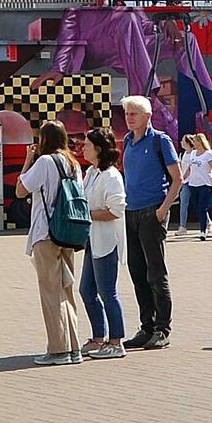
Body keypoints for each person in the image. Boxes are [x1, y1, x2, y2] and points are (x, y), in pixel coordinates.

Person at [19, 125, 86, 365]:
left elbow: (20, 190)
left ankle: (58, 350)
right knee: (66, 289)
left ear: (45, 139)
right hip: (68, 231)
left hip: (46, 234)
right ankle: (74, 347)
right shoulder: (73, 163)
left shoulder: (45, 161)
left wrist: (28, 160)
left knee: (50, 292)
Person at [118, 96, 178, 349]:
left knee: (156, 273)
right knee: (137, 272)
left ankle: (162, 329)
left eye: (134, 113)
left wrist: (163, 210)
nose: (129, 117)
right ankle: (147, 326)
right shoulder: (128, 141)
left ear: (147, 116)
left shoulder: (160, 141)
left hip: (152, 211)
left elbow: (178, 178)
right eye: (127, 113)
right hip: (131, 212)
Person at [78, 128, 129, 360]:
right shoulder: (91, 172)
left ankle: (116, 342)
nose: (83, 148)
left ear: (98, 149)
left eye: (87, 144)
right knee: (86, 290)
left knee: (107, 291)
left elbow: (116, 210)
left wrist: (87, 214)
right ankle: (98, 337)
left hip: (107, 240)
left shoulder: (111, 176)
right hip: (92, 239)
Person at [179, 132, 212, 240]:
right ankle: (205, 225)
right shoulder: (193, 153)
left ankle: (203, 231)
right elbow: (190, 168)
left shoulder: (209, 154)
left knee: (202, 207)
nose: (194, 143)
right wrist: (182, 179)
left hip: (205, 184)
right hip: (193, 184)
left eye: (195, 141)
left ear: (200, 142)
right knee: (197, 207)